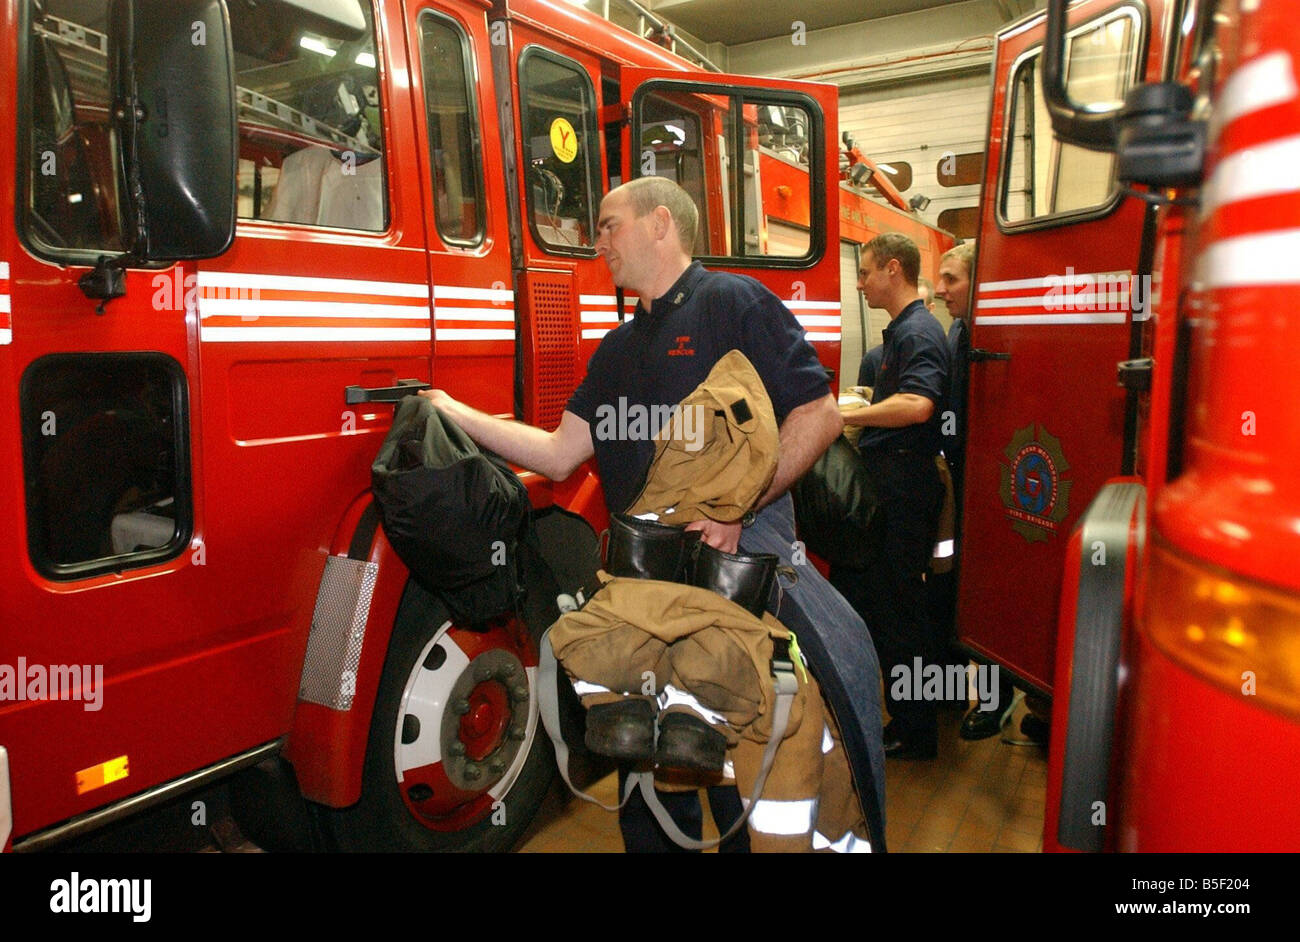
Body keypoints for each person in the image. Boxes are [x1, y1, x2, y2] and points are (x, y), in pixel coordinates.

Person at [420, 176, 887, 851]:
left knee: (736, 765)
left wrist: (740, 505)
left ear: (660, 223)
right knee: (645, 781)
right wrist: (453, 411)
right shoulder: (616, 350)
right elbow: (557, 454)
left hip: (733, 571)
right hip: (643, 595)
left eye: (610, 224)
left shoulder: (734, 303)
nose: (599, 241)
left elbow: (818, 414)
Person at [839, 233, 951, 760]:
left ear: (891, 270)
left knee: (902, 612)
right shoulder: (904, 332)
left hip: (905, 485)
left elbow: (918, 405)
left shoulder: (919, 332)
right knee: (888, 605)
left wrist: (851, 415)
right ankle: (905, 720)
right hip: (896, 481)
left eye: (863, 273)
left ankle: (914, 728)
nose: (859, 283)